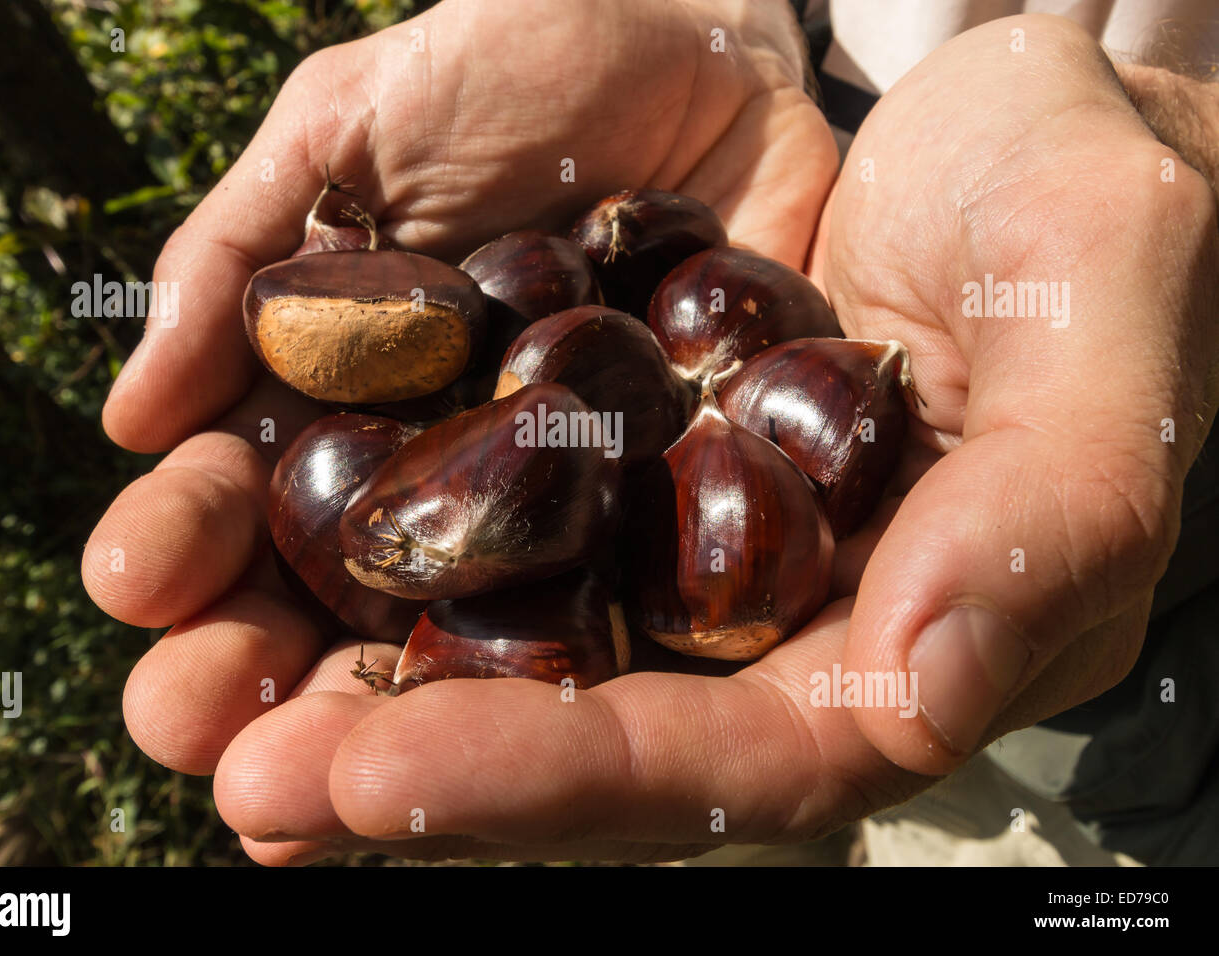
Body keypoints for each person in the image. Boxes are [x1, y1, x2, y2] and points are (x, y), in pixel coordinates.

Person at [82, 0, 1219, 866]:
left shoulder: (592, 393)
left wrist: (1185, 131)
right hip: (822, 115)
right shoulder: (576, 384)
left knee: (1138, 793)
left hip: (1083, 343)